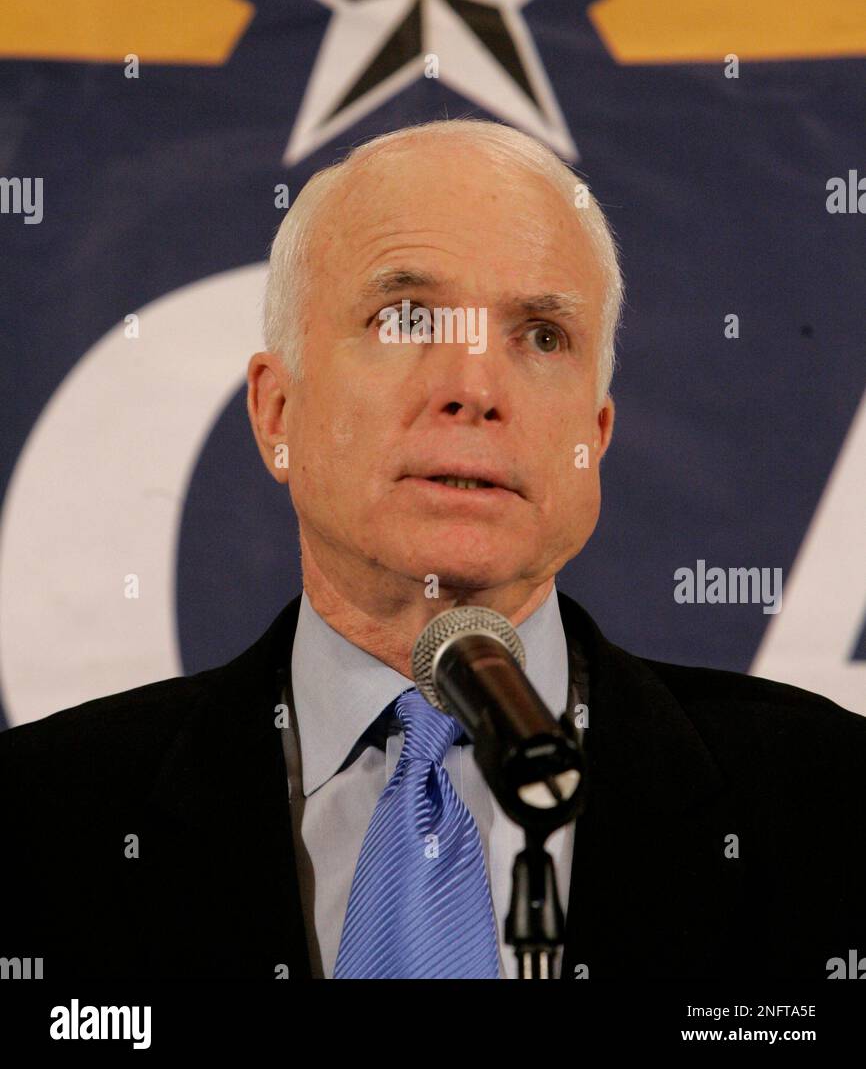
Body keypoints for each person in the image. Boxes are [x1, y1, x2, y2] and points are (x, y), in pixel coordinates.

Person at [1, 119, 864, 981]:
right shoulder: (41, 821)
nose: (474, 387)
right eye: (407, 316)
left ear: (594, 437)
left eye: (540, 335)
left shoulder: (829, 805)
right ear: (276, 415)